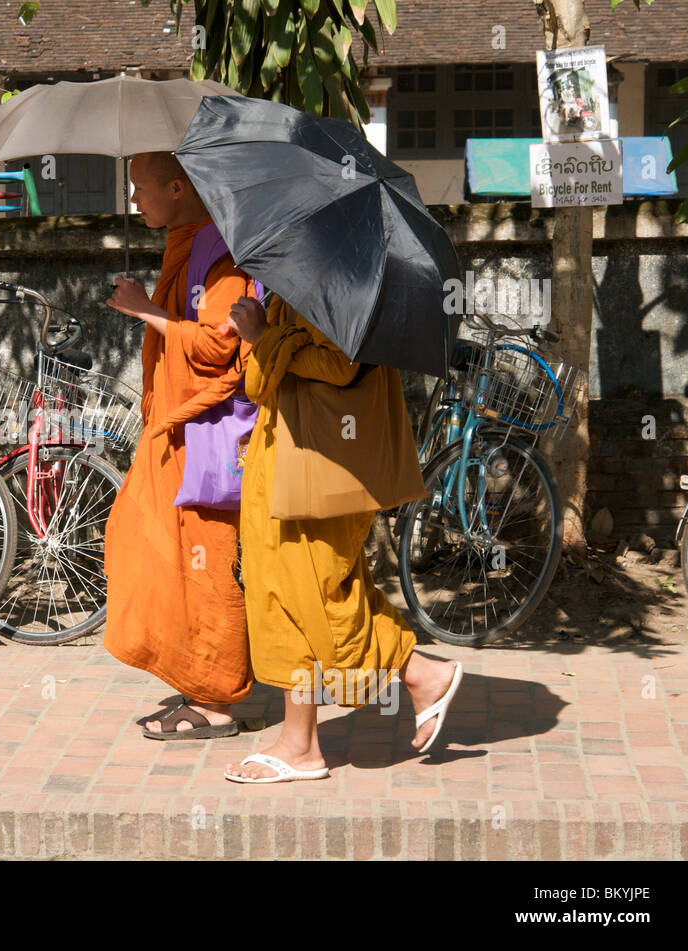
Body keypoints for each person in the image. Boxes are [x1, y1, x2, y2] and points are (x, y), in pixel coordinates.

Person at [219, 293, 464, 783]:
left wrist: (265, 337)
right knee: (288, 596)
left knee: (315, 599)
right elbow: (261, 384)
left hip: (319, 469)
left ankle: (413, 676)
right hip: (289, 461)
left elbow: (342, 366)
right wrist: (266, 340)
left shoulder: (336, 287)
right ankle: (305, 739)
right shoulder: (302, 282)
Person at [102, 151, 253, 740]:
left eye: (141, 187)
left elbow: (218, 349)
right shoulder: (187, 245)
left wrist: (146, 311)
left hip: (206, 437)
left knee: (205, 564)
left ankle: (217, 700)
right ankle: (196, 682)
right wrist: (150, 309)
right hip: (175, 430)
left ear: (178, 187)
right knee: (144, 542)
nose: (135, 200)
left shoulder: (220, 254)